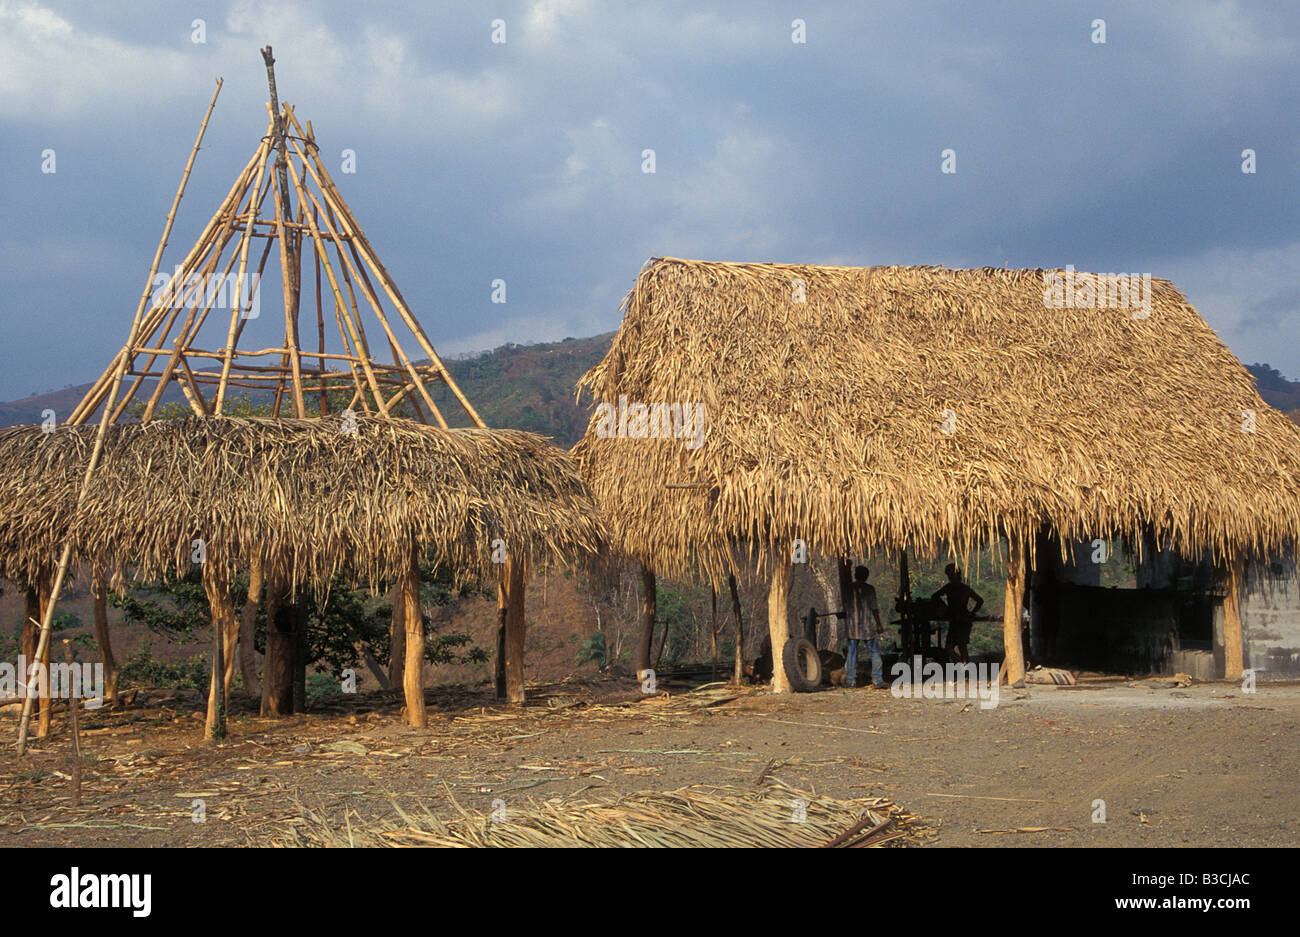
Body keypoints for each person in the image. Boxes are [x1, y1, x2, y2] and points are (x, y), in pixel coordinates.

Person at [933, 563, 983, 664]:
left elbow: (980, 600)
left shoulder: (958, 588)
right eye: (949, 575)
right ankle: (964, 665)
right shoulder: (953, 588)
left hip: (962, 620)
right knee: (955, 647)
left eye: (951, 575)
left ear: (956, 575)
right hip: (959, 620)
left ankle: (964, 666)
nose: (950, 577)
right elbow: (935, 596)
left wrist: (972, 613)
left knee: (959, 646)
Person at [846, 566, 886, 688]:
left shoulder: (848, 588)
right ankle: (877, 680)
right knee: (874, 652)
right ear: (866, 576)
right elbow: (874, 609)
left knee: (851, 653)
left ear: (855, 575)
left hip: (852, 627)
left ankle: (850, 681)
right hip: (866, 627)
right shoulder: (869, 589)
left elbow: (845, 604)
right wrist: (879, 624)